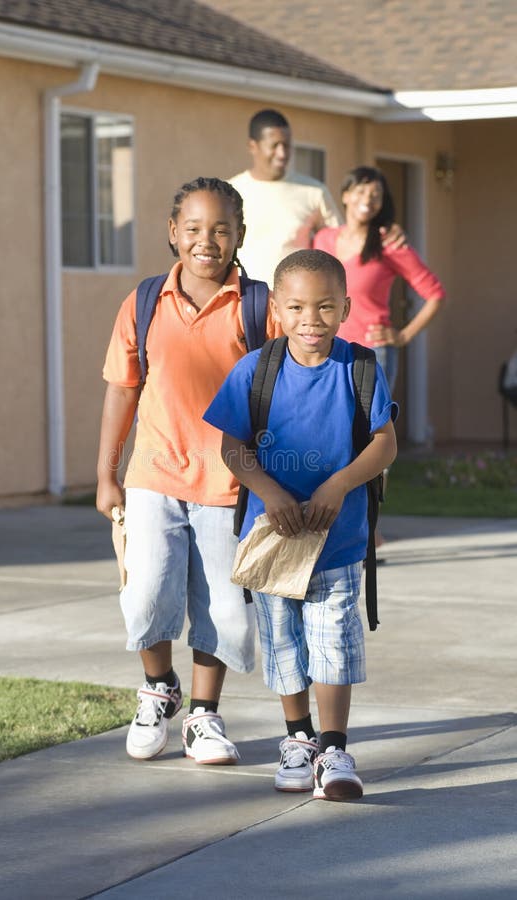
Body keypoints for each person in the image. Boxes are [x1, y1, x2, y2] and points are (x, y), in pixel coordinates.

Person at [96, 176, 278, 766]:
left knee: (223, 611)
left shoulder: (260, 307)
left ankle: (203, 715)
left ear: (240, 235)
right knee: (146, 596)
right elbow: (123, 391)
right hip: (153, 474)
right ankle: (158, 688)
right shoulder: (145, 302)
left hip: (230, 485)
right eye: (194, 228)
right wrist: (107, 473)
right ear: (173, 233)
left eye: (222, 229)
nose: (208, 240)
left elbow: (292, 382)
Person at [204, 249, 397, 800]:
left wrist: (338, 485)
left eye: (325, 307)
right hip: (275, 542)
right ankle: (298, 740)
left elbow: (385, 444)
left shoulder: (359, 369)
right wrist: (268, 491)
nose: (311, 319)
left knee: (333, 640)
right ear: (279, 313)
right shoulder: (256, 370)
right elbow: (232, 447)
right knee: (285, 646)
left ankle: (334, 749)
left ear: (345, 309)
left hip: (337, 541)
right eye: (297, 307)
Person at [229, 109, 405, 287]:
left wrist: (387, 229)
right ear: (253, 146)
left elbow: (345, 240)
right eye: (274, 145)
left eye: (287, 145)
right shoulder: (231, 193)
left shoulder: (314, 192)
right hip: (244, 298)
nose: (282, 153)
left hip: (294, 304)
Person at [313, 165, 445, 393]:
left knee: (369, 427)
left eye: (376, 195)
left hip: (371, 352)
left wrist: (403, 335)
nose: (368, 199)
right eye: (362, 191)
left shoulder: (389, 244)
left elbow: (436, 295)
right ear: (345, 195)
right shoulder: (323, 240)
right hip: (326, 349)